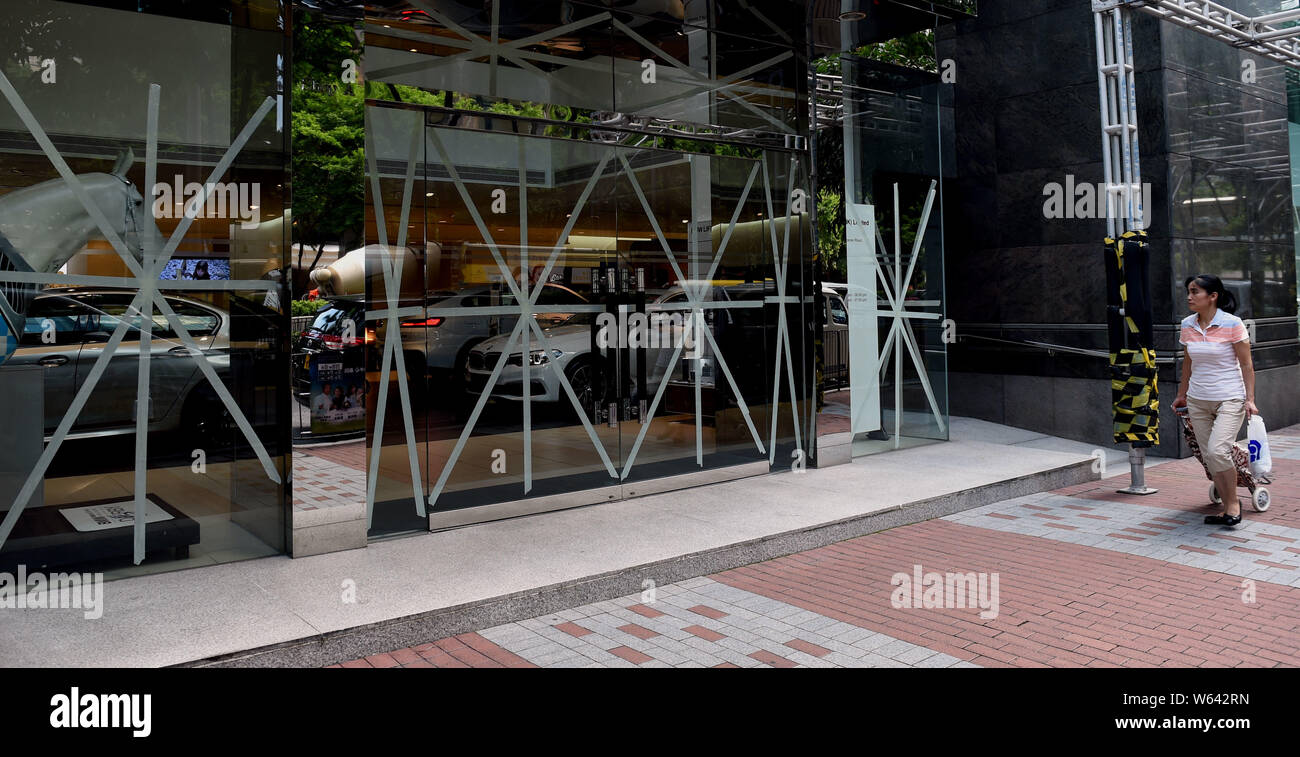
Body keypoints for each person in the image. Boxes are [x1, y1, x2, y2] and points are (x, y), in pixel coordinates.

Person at [1170, 274, 1257, 528]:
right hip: (1198, 400)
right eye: (1188, 291)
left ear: (1213, 296)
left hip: (1229, 398)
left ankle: (1232, 505)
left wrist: (1250, 399)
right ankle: (1228, 503)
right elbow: (1188, 361)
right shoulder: (1187, 324)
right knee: (1210, 456)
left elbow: (1246, 364)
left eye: (1195, 291)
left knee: (1219, 450)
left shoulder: (1232, 323)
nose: (1189, 296)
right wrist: (1181, 393)